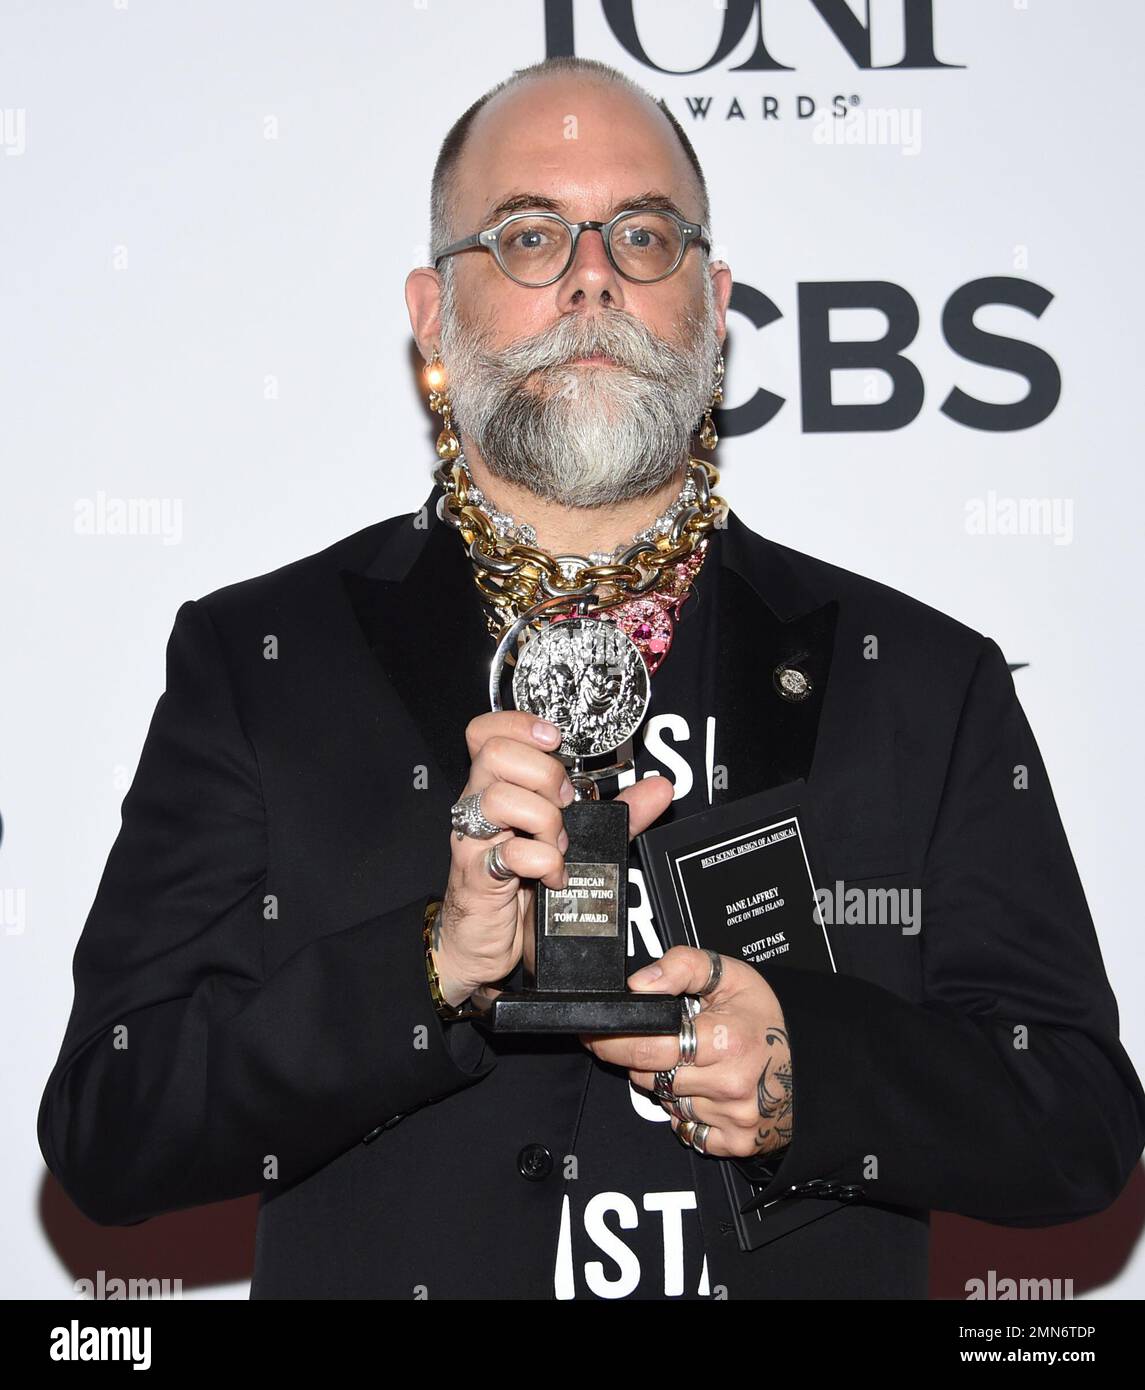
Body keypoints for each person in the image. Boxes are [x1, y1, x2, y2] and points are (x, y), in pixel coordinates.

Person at [38, 56, 1145, 1300]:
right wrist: (432, 968)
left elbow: (1078, 1122)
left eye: (641, 233)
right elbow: (109, 1127)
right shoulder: (260, 662)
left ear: (713, 302)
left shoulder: (921, 679)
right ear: (428, 311)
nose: (591, 275)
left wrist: (807, 1073)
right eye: (526, 235)